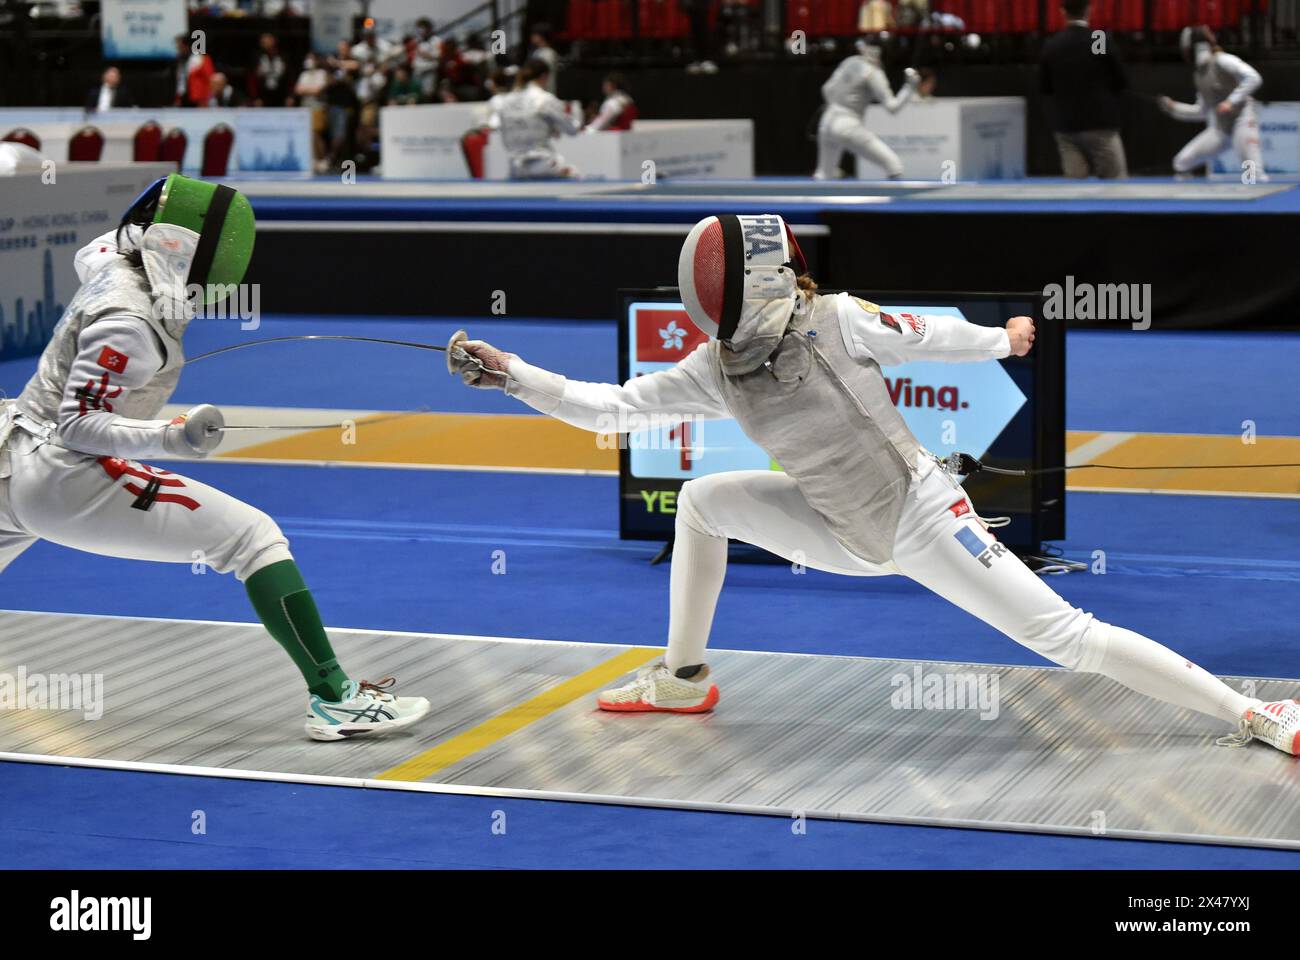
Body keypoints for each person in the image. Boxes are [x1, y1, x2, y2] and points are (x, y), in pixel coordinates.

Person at [446, 212, 1300, 757]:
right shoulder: (718, 367)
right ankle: (682, 678)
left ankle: (1253, 714)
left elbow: (930, 333)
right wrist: (512, 372)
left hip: (927, 520)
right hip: (840, 531)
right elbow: (611, 409)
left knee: (1066, 638)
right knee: (703, 504)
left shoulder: (838, 321)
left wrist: (1002, 343)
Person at [0, 175, 430, 741]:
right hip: (60, 476)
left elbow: (96, 251)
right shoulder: (128, 323)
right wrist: (169, 439)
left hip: (9, 460)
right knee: (253, 537)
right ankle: (334, 699)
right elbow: (79, 426)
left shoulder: (113, 262)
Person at [1159, 25, 1266, 182]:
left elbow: (1254, 78)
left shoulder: (1223, 60)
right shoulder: (1199, 75)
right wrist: (1173, 108)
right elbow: (1201, 111)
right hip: (1221, 130)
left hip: (1242, 121)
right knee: (1181, 163)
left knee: (1251, 175)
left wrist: (1231, 101)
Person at [1039, 0, 1128, 179]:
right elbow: (1119, 79)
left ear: (1063, 12)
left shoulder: (1053, 43)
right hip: (1099, 124)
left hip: (1067, 126)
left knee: (1074, 188)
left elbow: (1045, 87)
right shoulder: (1097, 38)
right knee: (1114, 185)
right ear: (1088, 10)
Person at [814, 37, 920, 180]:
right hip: (848, 125)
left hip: (826, 122)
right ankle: (898, 202)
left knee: (824, 175)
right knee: (894, 166)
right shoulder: (873, 73)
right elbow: (892, 107)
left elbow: (826, 90)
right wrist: (910, 87)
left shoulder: (849, 62)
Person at [495, 59, 581, 179]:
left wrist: (549, 127)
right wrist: (576, 112)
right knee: (575, 176)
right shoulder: (545, 99)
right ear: (544, 76)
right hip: (543, 165)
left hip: (515, 167)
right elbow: (573, 129)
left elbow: (506, 134)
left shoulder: (505, 101)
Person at [253, 33, 288, 107]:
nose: (263, 44)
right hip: (263, 95)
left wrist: (290, 96)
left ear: (273, 40)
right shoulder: (257, 57)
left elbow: (290, 77)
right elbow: (251, 79)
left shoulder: (283, 56)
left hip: (281, 94)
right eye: (262, 42)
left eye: (266, 41)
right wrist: (255, 97)